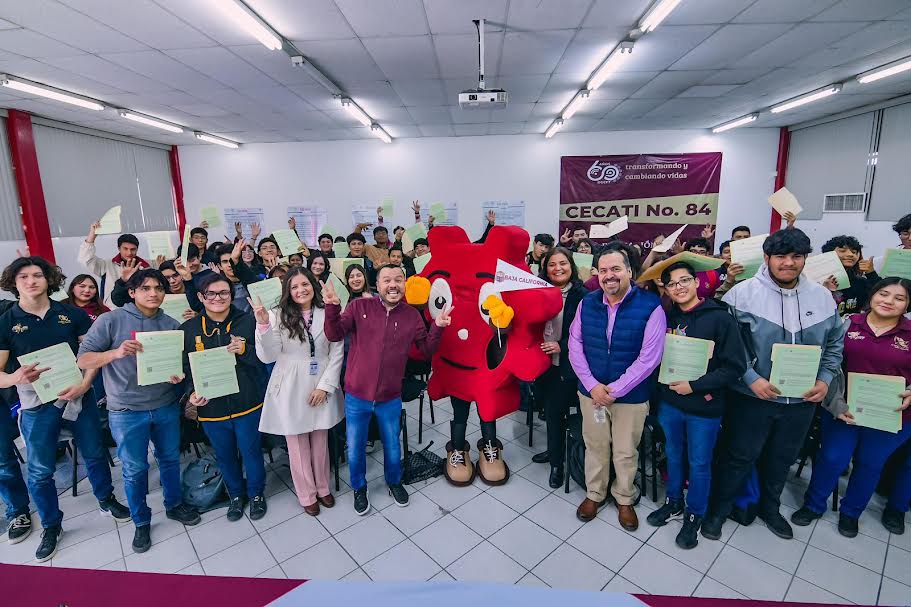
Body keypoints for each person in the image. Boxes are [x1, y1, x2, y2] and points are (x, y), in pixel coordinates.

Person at [701, 228, 845, 542]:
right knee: (739, 456)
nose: (789, 263)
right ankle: (719, 510)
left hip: (802, 400)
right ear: (767, 258)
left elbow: (835, 345)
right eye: (781, 256)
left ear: (806, 259)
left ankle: (770, 509)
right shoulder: (742, 294)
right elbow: (730, 347)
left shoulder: (822, 297)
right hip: (752, 397)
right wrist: (751, 379)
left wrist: (825, 379)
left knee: (782, 458)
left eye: (796, 257)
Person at [0, 256, 130, 562]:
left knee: (95, 452)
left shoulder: (70, 314)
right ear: (14, 284)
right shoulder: (6, 321)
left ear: (48, 279)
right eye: (23, 277)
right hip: (36, 405)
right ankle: (50, 524)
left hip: (78, 396)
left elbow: (91, 355)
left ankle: (106, 499)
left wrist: (85, 386)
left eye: (37, 275)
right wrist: (15, 377)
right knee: (40, 469)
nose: (31, 281)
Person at [77, 269, 201, 554]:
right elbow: (83, 358)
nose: (154, 293)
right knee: (134, 469)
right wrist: (115, 353)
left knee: (169, 459)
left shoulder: (171, 324)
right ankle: (141, 520)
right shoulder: (111, 320)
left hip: (165, 405)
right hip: (126, 410)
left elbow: (179, 364)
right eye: (145, 288)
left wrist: (177, 376)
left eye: (159, 287)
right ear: (132, 292)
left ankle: (174, 505)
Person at [323, 265, 450, 514]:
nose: (393, 285)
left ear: (405, 284)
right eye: (387, 280)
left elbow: (426, 350)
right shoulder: (360, 307)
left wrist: (439, 326)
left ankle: (394, 481)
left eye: (398, 280)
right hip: (357, 394)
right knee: (356, 445)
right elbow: (334, 333)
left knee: (392, 445)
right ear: (377, 285)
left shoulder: (412, 316)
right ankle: (359, 487)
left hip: (390, 395)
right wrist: (332, 308)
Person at [791, 277, 911, 537]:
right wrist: (835, 403)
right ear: (873, 295)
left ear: (907, 305)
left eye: (899, 298)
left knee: (870, 464)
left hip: (890, 415)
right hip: (843, 408)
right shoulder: (848, 324)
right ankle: (813, 505)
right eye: (884, 294)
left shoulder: (910, 334)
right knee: (832, 458)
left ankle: (851, 513)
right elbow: (830, 363)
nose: (889, 301)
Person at [645, 262, 746, 549]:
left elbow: (734, 367)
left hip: (704, 406)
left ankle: (695, 514)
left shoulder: (720, 318)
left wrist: (695, 385)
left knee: (700, 463)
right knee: (674, 456)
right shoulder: (664, 317)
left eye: (684, 280)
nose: (679, 287)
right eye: (672, 283)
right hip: (671, 403)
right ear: (666, 289)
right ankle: (674, 502)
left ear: (696, 282)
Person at [569, 249, 666, 531]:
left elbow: (650, 358)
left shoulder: (650, 306)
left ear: (629, 272)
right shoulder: (587, 303)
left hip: (631, 397)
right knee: (595, 446)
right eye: (603, 270)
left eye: (615, 269)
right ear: (596, 274)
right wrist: (592, 386)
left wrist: (614, 389)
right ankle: (595, 494)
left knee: (625, 451)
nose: (609, 275)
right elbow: (575, 346)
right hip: (591, 394)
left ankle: (624, 497)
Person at [254, 268, 344, 516]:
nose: (300, 290)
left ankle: (323, 487)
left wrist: (325, 387)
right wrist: (262, 325)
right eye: (294, 287)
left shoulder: (327, 312)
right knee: (297, 443)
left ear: (313, 285)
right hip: (291, 384)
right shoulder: (275, 315)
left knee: (320, 440)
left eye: (304, 284)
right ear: (287, 291)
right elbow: (267, 356)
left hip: (321, 381)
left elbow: (337, 351)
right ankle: (306, 493)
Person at [182, 273, 268, 522]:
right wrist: (191, 394)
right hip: (212, 408)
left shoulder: (248, 322)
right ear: (201, 297)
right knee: (224, 454)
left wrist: (245, 350)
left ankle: (256, 494)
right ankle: (235, 495)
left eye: (224, 293)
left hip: (247, 403)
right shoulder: (189, 330)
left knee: (251, 452)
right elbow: (187, 370)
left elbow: (265, 360)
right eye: (211, 294)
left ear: (232, 295)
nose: (218, 298)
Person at [531, 248, 587, 488]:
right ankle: (555, 451)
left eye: (563, 263)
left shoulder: (584, 295)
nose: (558, 269)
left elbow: (588, 332)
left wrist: (562, 346)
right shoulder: (538, 291)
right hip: (542, 363)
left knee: (556, 412)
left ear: (571, 266)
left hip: (568, 366)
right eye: (552, 264)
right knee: (547, 410)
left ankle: (558, 464)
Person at [78, 221, 152, 305]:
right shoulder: (106, 265)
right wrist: (92, 235)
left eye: (133, 249)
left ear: (137, 249)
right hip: (112, 310)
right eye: (125, 248)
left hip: (141, 310)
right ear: (119, 248)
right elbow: (86, 258)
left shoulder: (146, 267)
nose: (129, 253)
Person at [820, 235, 881, 317]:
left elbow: (883, 294)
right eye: (842, 251)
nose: (851, 255)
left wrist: (871, 273)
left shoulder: (860, 282)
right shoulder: (815, 280)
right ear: (828, 254)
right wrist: (823, 290)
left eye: (854, 252)